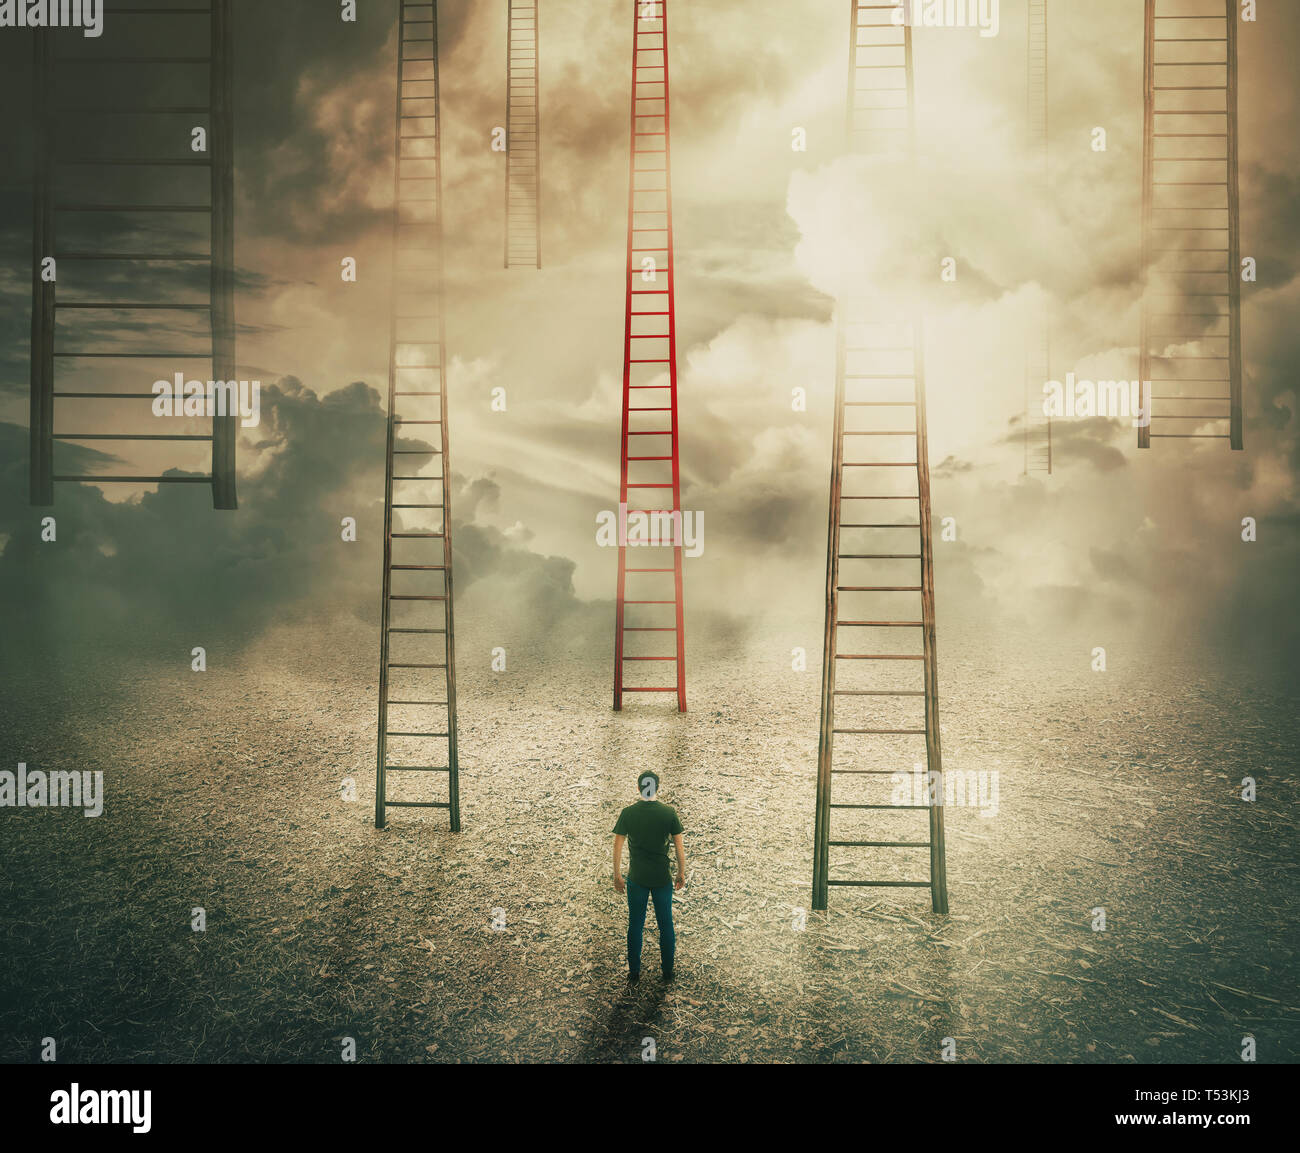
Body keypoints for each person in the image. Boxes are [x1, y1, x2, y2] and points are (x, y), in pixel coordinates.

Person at [612, 770, 685, 983]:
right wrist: (681, 872)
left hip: (637, 878)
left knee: (635, 925)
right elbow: (679, 846)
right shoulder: (669, 813)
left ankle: (634, 971)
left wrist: (617, 874)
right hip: (662, 878)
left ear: (638, 788)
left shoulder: (628, 813)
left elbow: (618, 845)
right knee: (666, 925)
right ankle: (668, 971)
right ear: (657, 788)